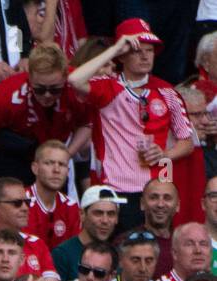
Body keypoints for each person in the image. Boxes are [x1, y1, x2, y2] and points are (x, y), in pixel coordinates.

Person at [68, 20, 193, 232]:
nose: (145, 56)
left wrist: (165, 155)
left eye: (150, 50)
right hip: (115, 189)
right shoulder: (108, 86)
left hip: (155, 192)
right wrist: (115, 48)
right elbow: (74, 79)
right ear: (123, 56)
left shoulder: (168, 92)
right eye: (137, 51)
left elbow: (187, 142)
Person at [0, 44, 93, 183]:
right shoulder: (4, 96)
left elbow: (86, 124)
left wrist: (66, 155)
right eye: (40, 89)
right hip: (8, 156)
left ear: (65, 78)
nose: (47, 95)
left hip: (51, 154)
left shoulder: (77, 86)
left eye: (55, 89)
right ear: (29, 77)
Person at [51, 185, 126, 281]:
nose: (105, 220)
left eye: (111, 214)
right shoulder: (62, 254)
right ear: (82, 214)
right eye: (98, 213)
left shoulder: (117, 254)